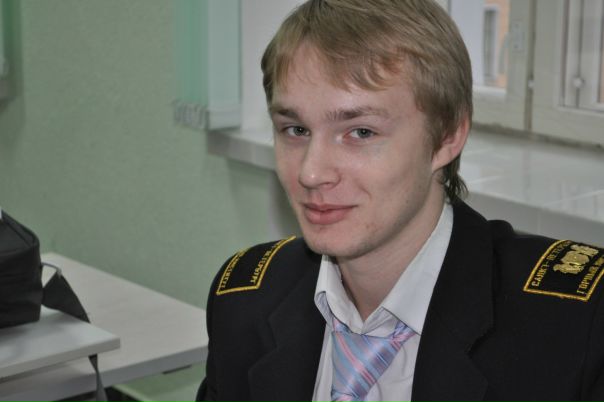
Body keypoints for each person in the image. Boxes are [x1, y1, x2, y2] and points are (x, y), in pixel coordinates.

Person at [197, 0, 604, 400]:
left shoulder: (578, 324)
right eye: (296, 130)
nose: (311, 173)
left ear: (447, 137)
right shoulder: (245, 300)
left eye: (361, 132)